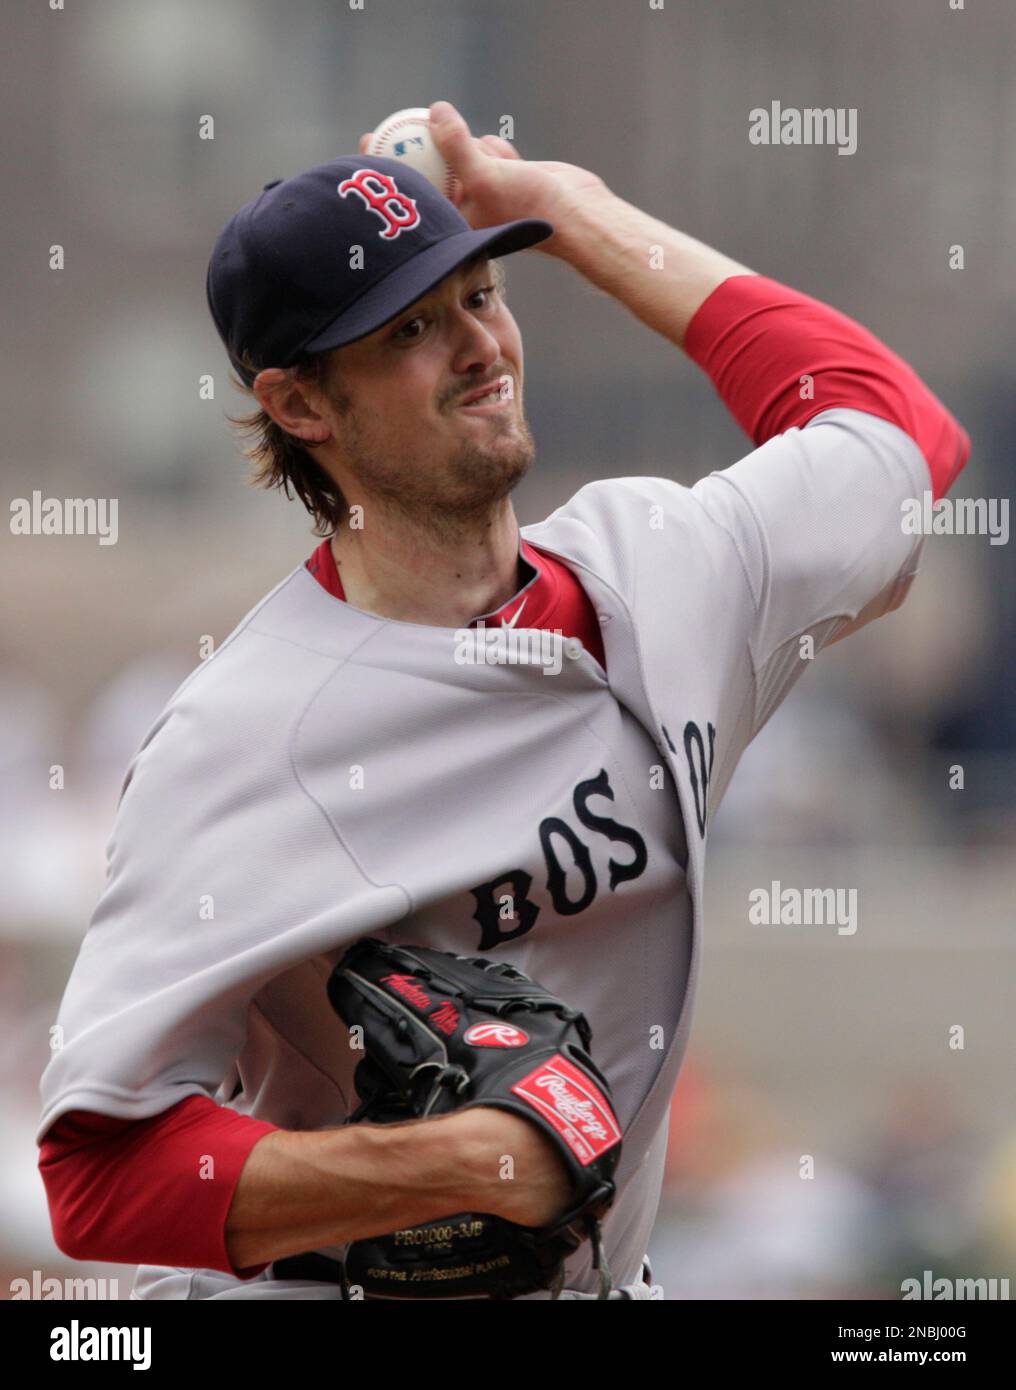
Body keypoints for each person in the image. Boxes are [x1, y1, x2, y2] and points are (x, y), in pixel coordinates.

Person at [37, 100, 969, 1300]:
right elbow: (98, 1171)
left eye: (482, 294)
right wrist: (447, 1164)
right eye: (411, 328)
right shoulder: (248, 735)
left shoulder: (665, 563)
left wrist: (575, 217)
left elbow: (893, 429)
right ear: (300, 405)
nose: (478, 345)